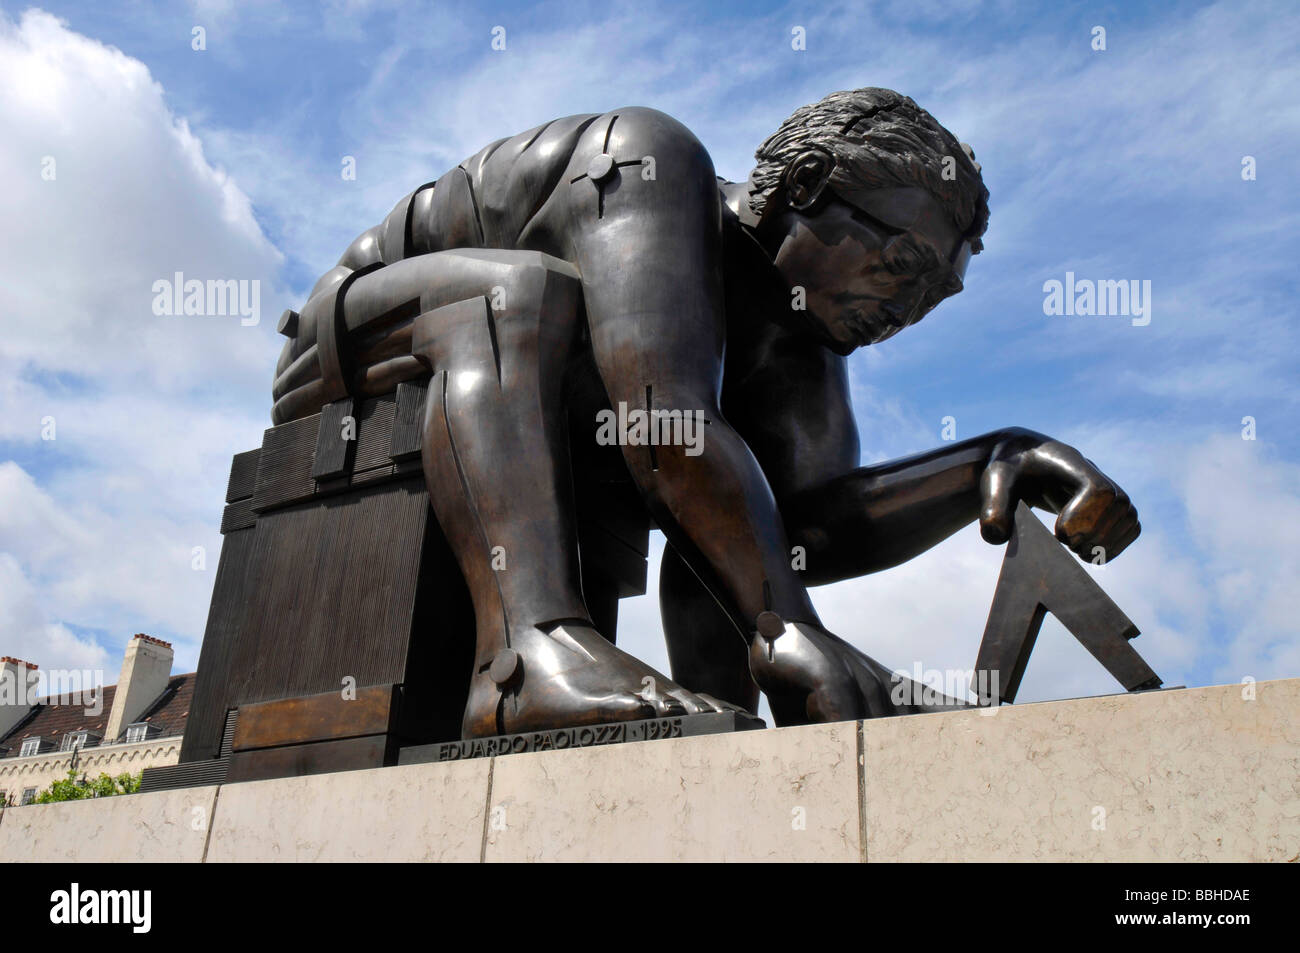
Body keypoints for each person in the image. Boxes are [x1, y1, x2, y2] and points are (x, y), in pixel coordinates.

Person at [272, 88, 1139, 738]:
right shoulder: (649, 160)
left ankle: (711, 698)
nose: (905, 308)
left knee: (733, 499)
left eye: (932, 296)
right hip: (350, 347)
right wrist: (788, 628)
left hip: (520, 399)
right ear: (803, 184)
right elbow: (664, 425)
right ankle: (522, 658)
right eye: (898, 262)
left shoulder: (804, 337)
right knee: (518, 295)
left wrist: (994, 460)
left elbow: (799, 523)